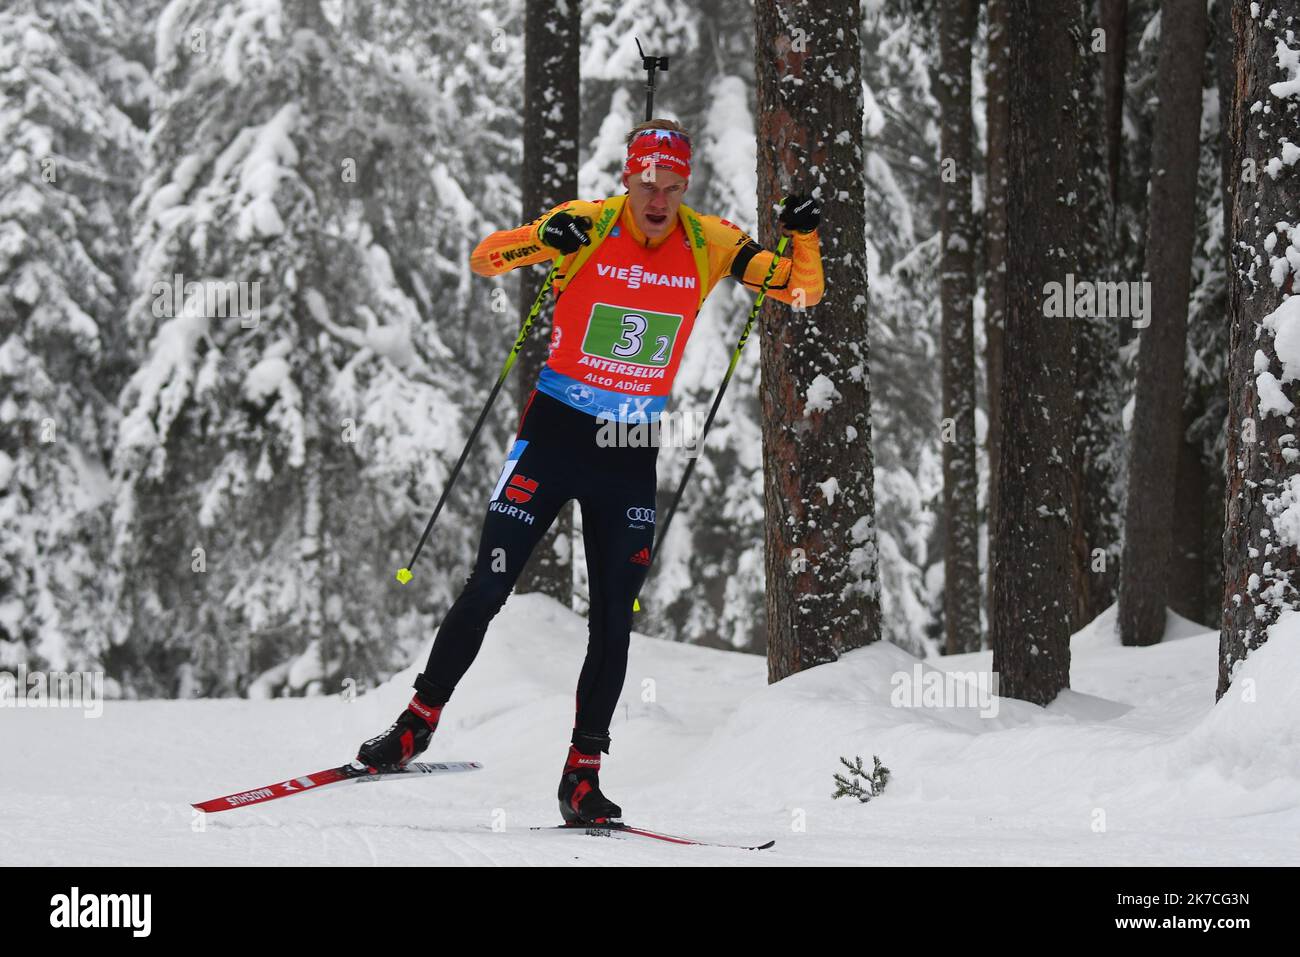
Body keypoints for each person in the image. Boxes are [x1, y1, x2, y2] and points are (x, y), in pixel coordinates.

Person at [356, 118, 824, 825]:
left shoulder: (710, 241)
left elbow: (797, 291)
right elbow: (488, 258)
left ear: (685, 186)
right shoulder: (587, 221)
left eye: (670, 186)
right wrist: (543, 240)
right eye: (646, 184)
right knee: (488, 583)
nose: (658, 199)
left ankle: (582, 774)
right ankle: (417, 721)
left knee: (613, 618)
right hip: (554, 432)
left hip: (629, 447)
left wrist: (807, 236)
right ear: (627, 180)